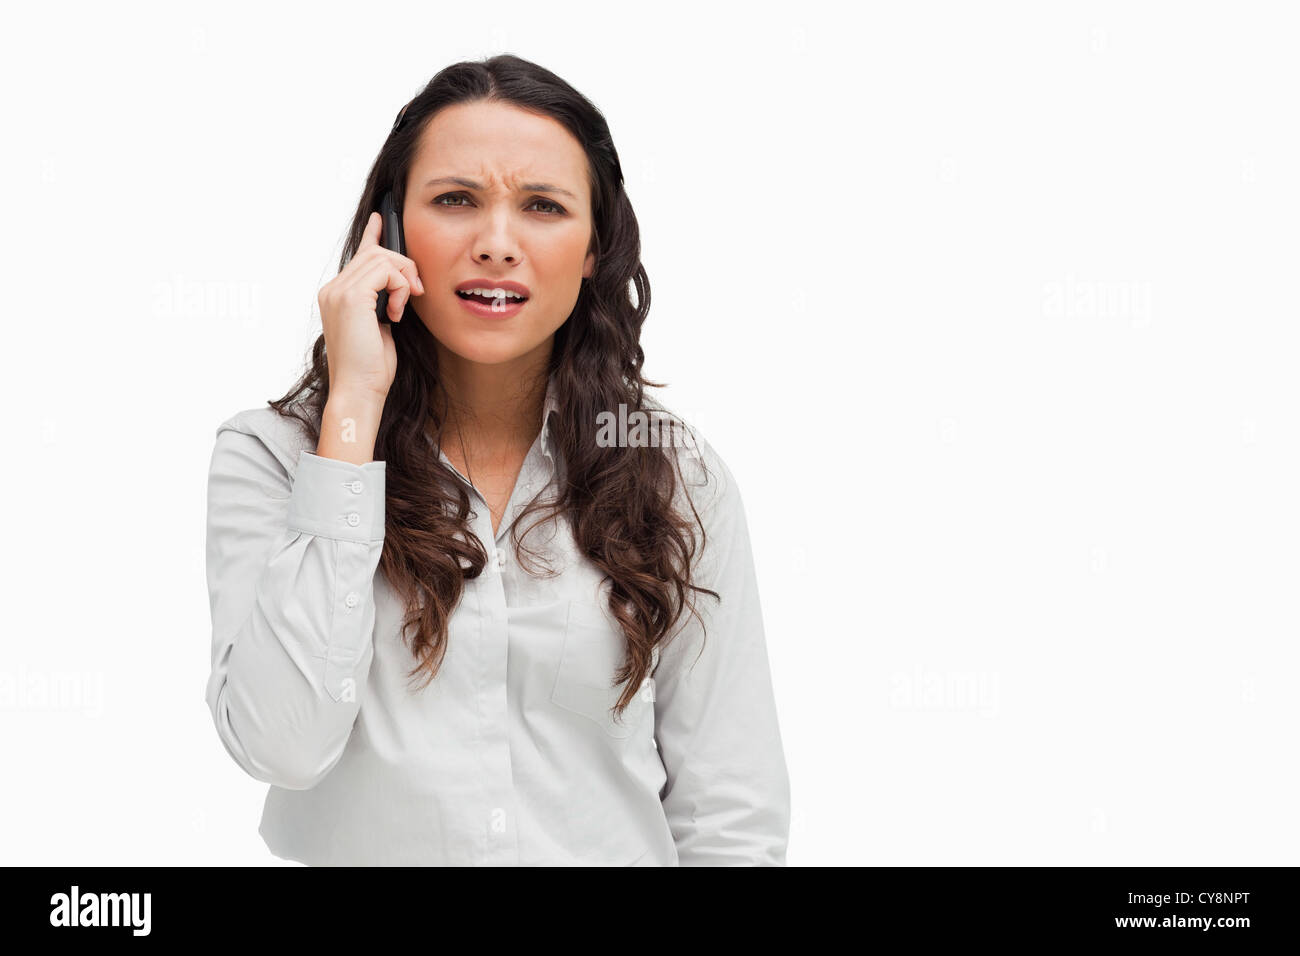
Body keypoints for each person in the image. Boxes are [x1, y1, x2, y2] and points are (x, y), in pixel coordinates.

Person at [203, 54, 790, 865]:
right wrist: (351, 418)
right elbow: (282, 746)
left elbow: (732, 811)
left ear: (594, 247)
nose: (497, 244)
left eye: (543, 206)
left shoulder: (671, 473)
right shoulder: (275, 456)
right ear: (393, 230)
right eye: (455, 201)